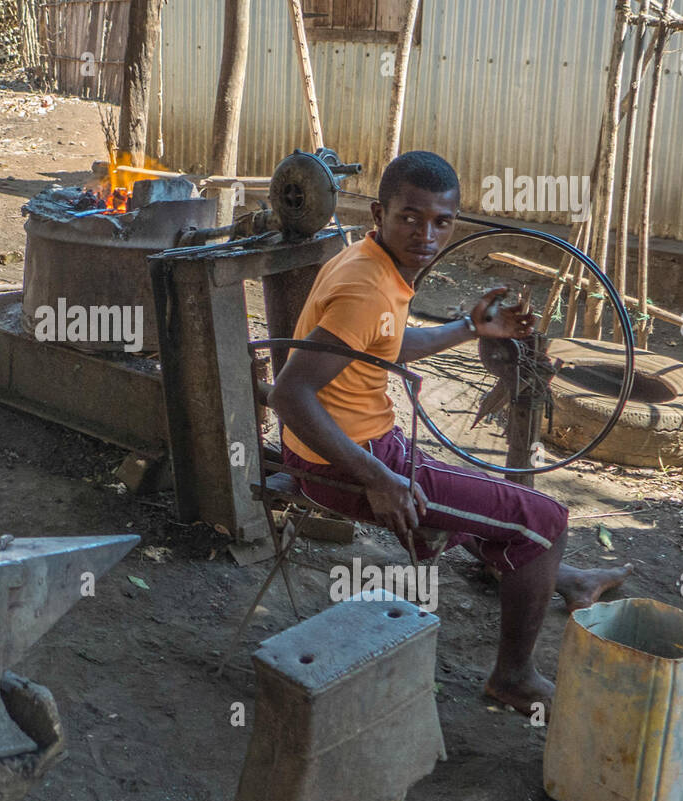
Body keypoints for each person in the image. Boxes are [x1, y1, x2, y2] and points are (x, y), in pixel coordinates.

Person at [267, 151, 630, 715]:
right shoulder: (367, 285)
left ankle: (564, 578)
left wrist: (469, 326)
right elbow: (288, 395)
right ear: (379, 211)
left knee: (490, 505)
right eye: (410, 217)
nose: (426, 234)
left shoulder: (369, 262)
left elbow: (384, 343)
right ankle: (512, 679)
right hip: (343, 461)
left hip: (347, 446)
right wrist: (379, 478)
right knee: (545, 519)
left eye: (442, 221)